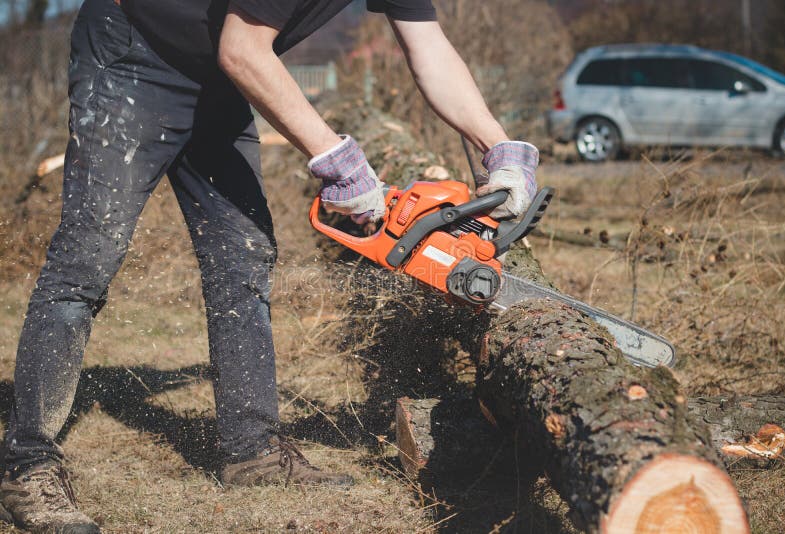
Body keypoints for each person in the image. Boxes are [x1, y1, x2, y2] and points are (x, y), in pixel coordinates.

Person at [0, 0, 540, 531]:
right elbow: (243, 48)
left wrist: (500, 148)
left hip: (219, 77)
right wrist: (336, 159)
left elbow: (428, 46)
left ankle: (252, 451)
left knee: (244, 257)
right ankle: (26, 464)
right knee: (87, 258)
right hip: (133, 56)